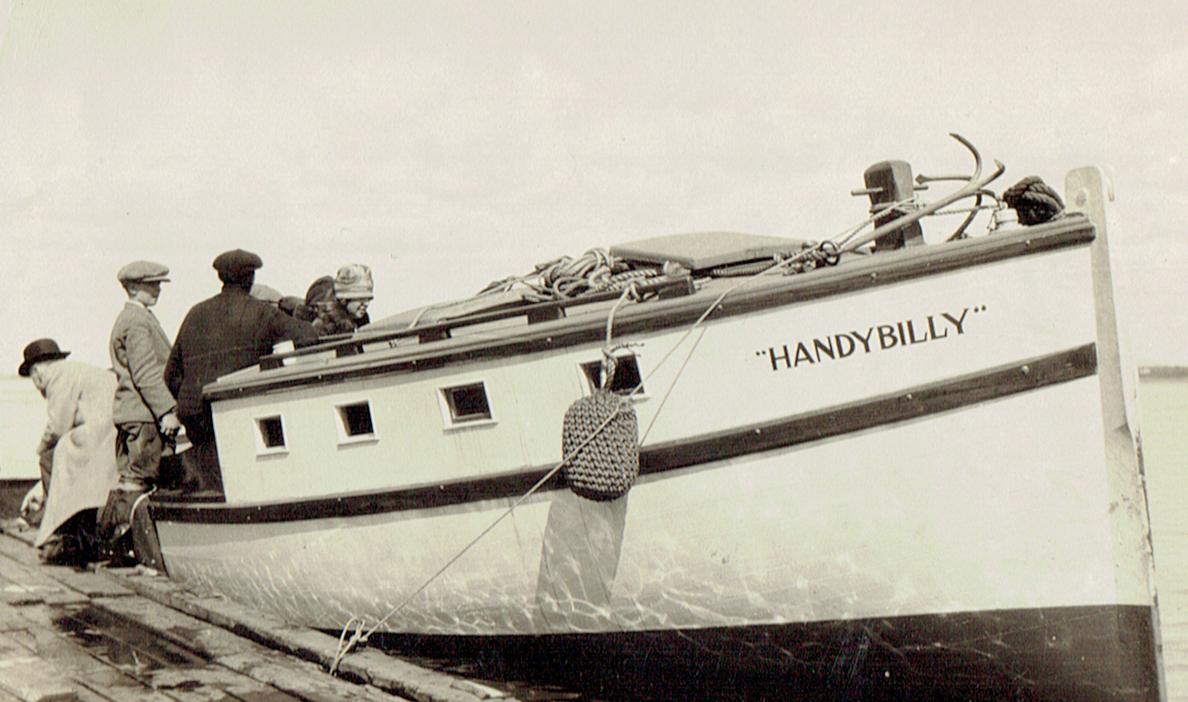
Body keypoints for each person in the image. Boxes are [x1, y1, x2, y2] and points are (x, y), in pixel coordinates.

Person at [164, 249, 316, 493]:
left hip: (197, 417)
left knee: (213, 483)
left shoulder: (195, 313)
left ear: (221, 277)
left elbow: (171, 375)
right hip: (237, 413)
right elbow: (309, 336)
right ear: (250, 278)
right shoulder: (262, 312)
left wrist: (192, 399)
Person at [100, 261, 181, 562]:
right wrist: (166, 411)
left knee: (130, 480)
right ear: (133, 287)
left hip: (131, 413)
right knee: (140, 481)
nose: (157, 289)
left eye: (158, 284)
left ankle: (116, 549)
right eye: (151, 284)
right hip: (144, 415)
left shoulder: (133, 318)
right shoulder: (136, 321)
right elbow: (146, 373)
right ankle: (140, 556)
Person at [17, 339, 119, 564]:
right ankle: (74, 535)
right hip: (108, 429)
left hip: (99, 433)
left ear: (37, 372)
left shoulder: (57, 376)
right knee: (65, 461)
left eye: (33, 377)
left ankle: (64, 533)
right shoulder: (73, 369)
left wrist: (40, 447)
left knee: (48, 459)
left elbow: (58, 426)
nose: (36, 385)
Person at [305, 263, 374, 336]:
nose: (366, 303)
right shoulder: (325, 324)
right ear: (344, 299)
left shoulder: (361, 321)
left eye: (368, 299)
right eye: (361, 298)